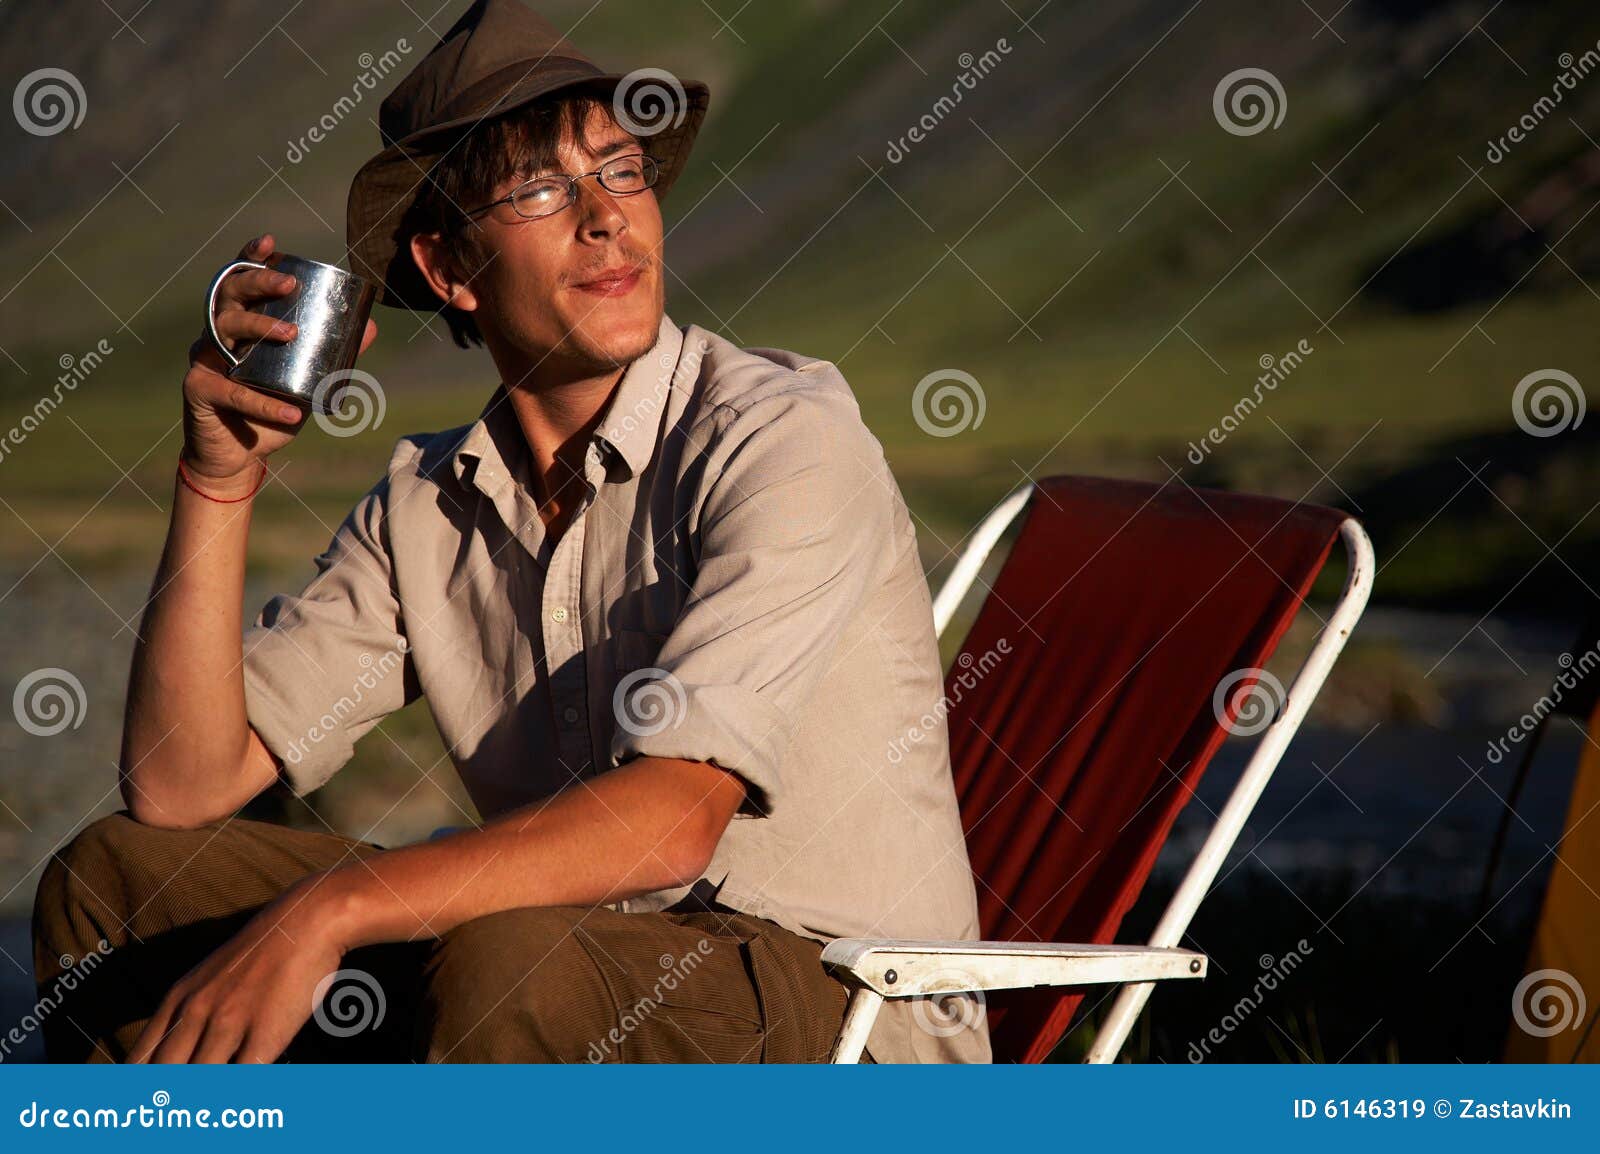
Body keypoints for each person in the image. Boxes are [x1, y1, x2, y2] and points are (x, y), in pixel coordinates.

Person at [33, 0, 988, 1065]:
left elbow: (676, 816)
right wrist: (215, 485)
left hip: (837, 1005)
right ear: (448, 269)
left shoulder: (780, 435)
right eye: (540, 188)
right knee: (116, 873)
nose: (605, 217)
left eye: (621, 169)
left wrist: (335, 907)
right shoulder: (427, 504)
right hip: (551, 965)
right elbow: (182, 787)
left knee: (508, 960)